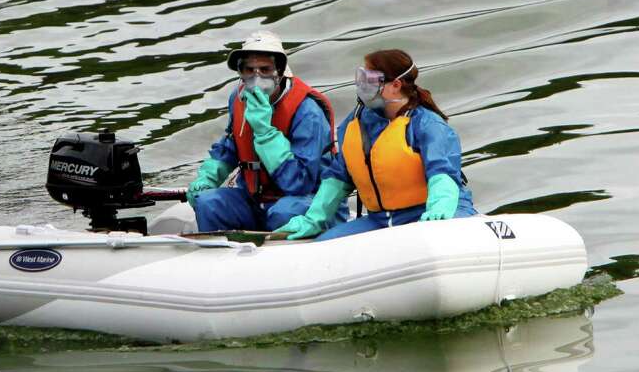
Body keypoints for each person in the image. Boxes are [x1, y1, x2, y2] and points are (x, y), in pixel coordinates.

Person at [277, 48, 476, 241]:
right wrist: (313, 219)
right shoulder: (354, 124)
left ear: (396, 85)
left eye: (370, 80)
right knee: (324, 246)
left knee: (431, 239)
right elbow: (338, 177)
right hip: (380, 220)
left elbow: (442, 172)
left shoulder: (427, 125)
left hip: (428, 211)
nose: (362, 85)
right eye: (362, 77)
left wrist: (439, 210)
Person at [185, 31, 346, 232]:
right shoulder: (238, 99)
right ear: (240, 72)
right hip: (256, 199)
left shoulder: (308, 112)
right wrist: (206, 178)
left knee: (284, 212)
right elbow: (229, 147)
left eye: (265, 69)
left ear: (279, 71)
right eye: (249, 69)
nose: (256, 77)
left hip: (305, 201)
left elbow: (299, 183)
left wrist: (265, 132)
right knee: (208, 203)